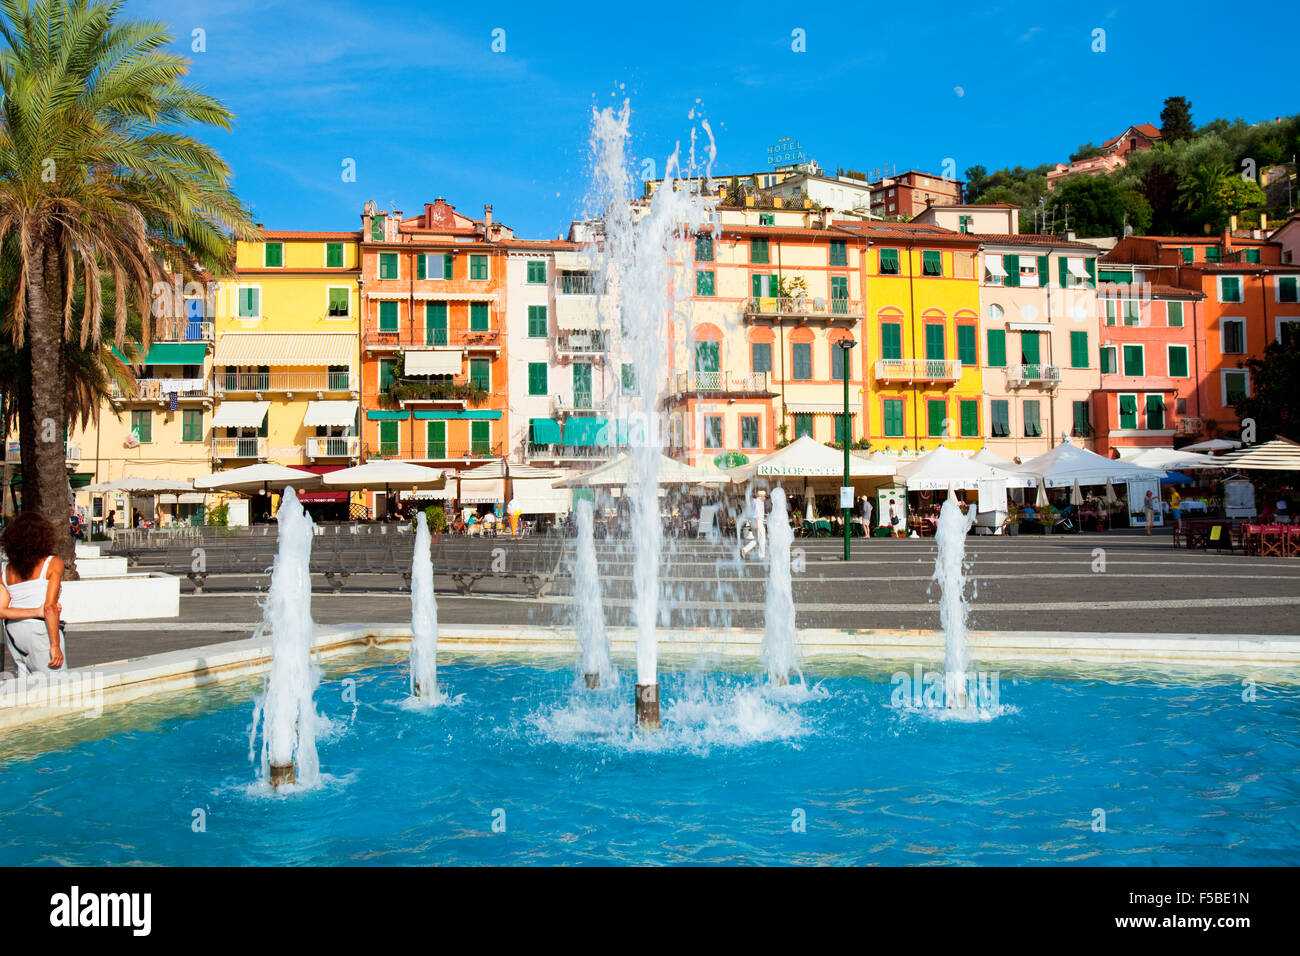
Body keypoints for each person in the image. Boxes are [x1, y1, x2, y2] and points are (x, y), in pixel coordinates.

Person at [1, 513, 65, 675]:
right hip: (40, 629)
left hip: (13, 632)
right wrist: (55, 645)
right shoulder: (52, 564)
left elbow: (2, 610)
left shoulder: (6, 570)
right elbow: (49, 607)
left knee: (25, 687)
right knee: (56, 686)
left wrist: (33, 611)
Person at [741, 490, 767, 559]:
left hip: (753, 522)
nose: (765, 498)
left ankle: (744, 550)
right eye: (764, 496)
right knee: (762, 539)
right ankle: (762, 555)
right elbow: (756, 514)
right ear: (761, 496)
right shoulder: (759, 502)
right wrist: (757, 524)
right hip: (758, 522)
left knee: (756, 539)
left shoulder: (754, 501)